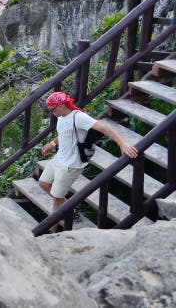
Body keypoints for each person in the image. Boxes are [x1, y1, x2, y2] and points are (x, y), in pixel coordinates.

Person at [39, 92, 138, 232]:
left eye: (52, 109)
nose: (51, 113)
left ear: (61, 105)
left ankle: (50, 231)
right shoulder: (61, 117)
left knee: (56, 198)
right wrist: (52, 144)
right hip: (59, 158)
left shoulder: (78, 117)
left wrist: (122, 144)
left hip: (71, 164)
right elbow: (64, 133)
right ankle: (69, 209)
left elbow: (105, 128)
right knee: (43, 183)